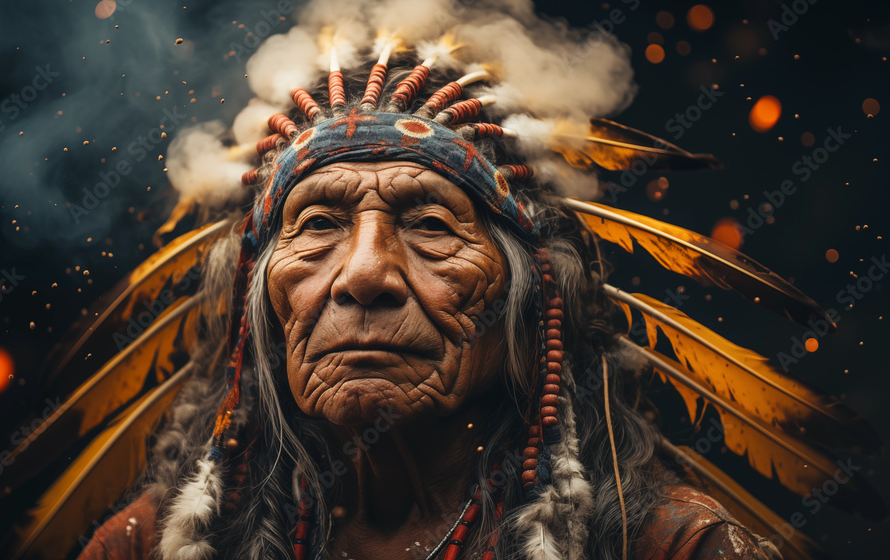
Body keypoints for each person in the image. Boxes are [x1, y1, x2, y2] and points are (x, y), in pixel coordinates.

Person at [75, 48, 785, 560]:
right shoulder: (152, 546)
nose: (364, 274)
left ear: (532, 302)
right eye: (318, 223)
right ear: (259, 305)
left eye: (431, 225)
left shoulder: (672, 546)